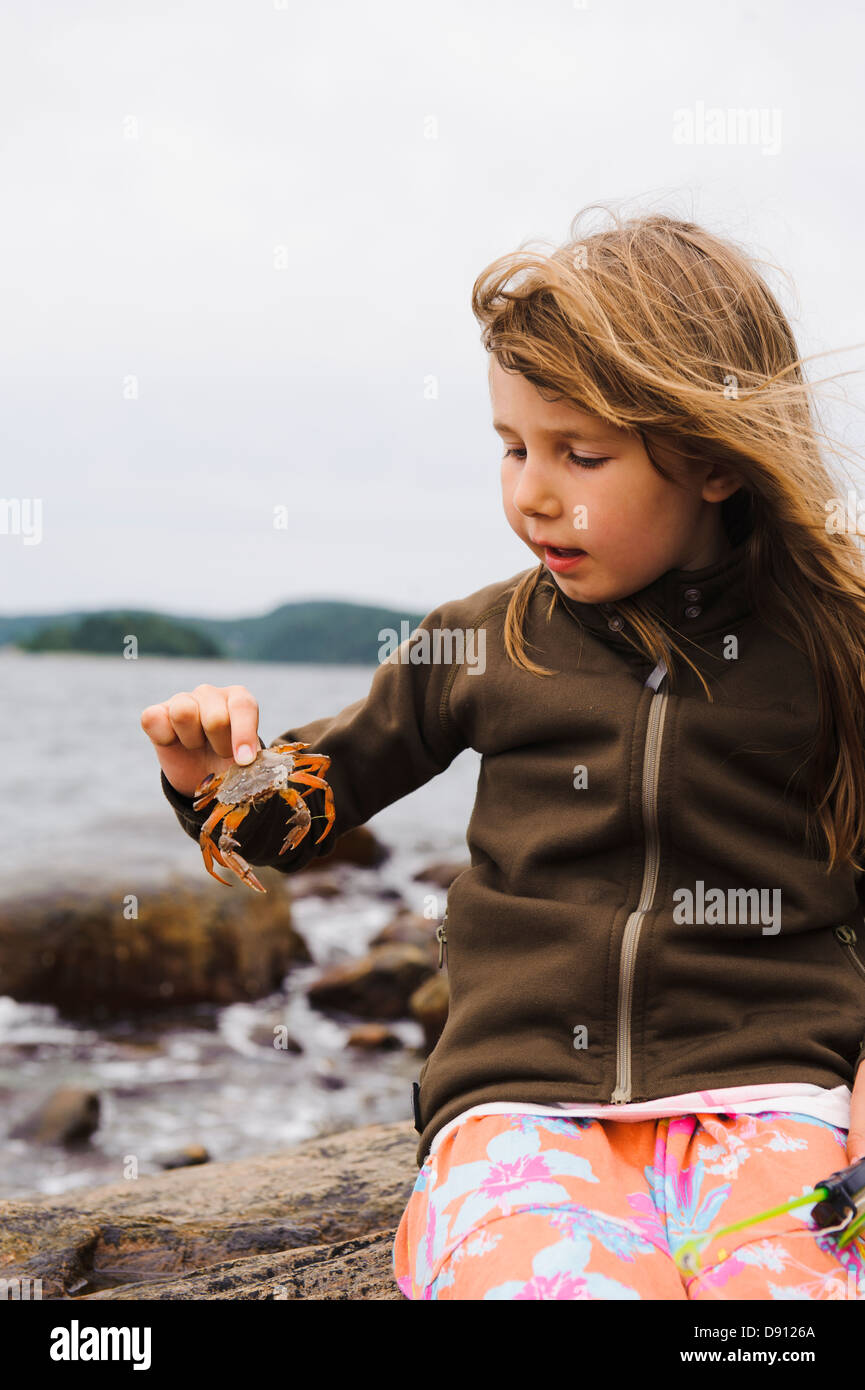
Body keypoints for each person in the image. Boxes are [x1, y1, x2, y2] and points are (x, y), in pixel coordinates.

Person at [142, 207, 865, 1300]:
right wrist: (212, 782)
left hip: (773, 1095)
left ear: (716, 462)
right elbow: (310, 799)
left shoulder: (833, 643)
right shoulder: (483, 639)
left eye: (581, 453)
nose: (530, 492)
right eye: (511, 446)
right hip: (524, 1103)